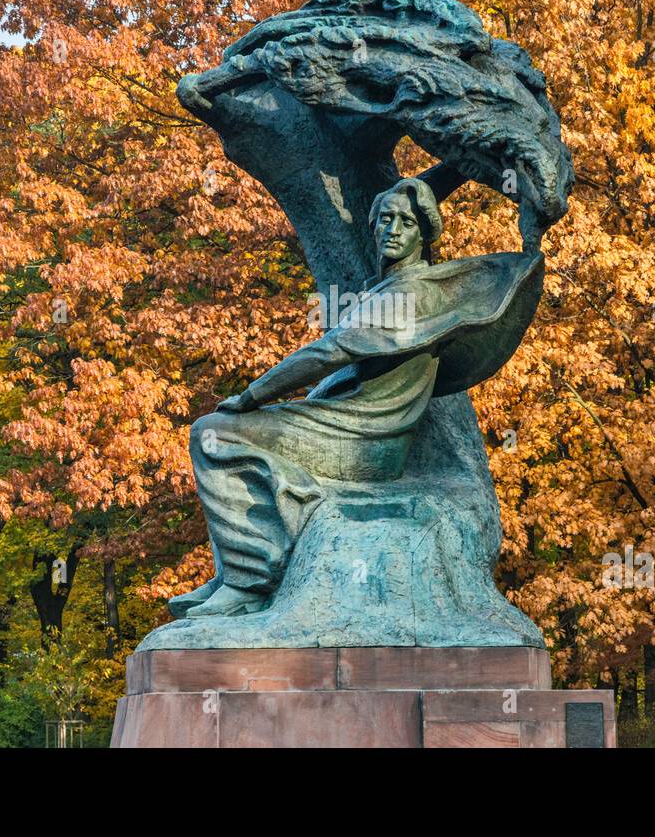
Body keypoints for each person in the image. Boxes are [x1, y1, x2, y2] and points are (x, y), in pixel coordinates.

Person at [171, 177, 541, 618]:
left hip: (367, 440)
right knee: (227, 438)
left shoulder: (410, 294)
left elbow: (330, 351)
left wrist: (252, 395)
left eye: (406, 222)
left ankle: (248, 582)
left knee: (213, 433)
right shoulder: (383, 289)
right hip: (350, 425)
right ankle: (234, 572)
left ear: (424, 235)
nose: (393, 229)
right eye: (385, 219)